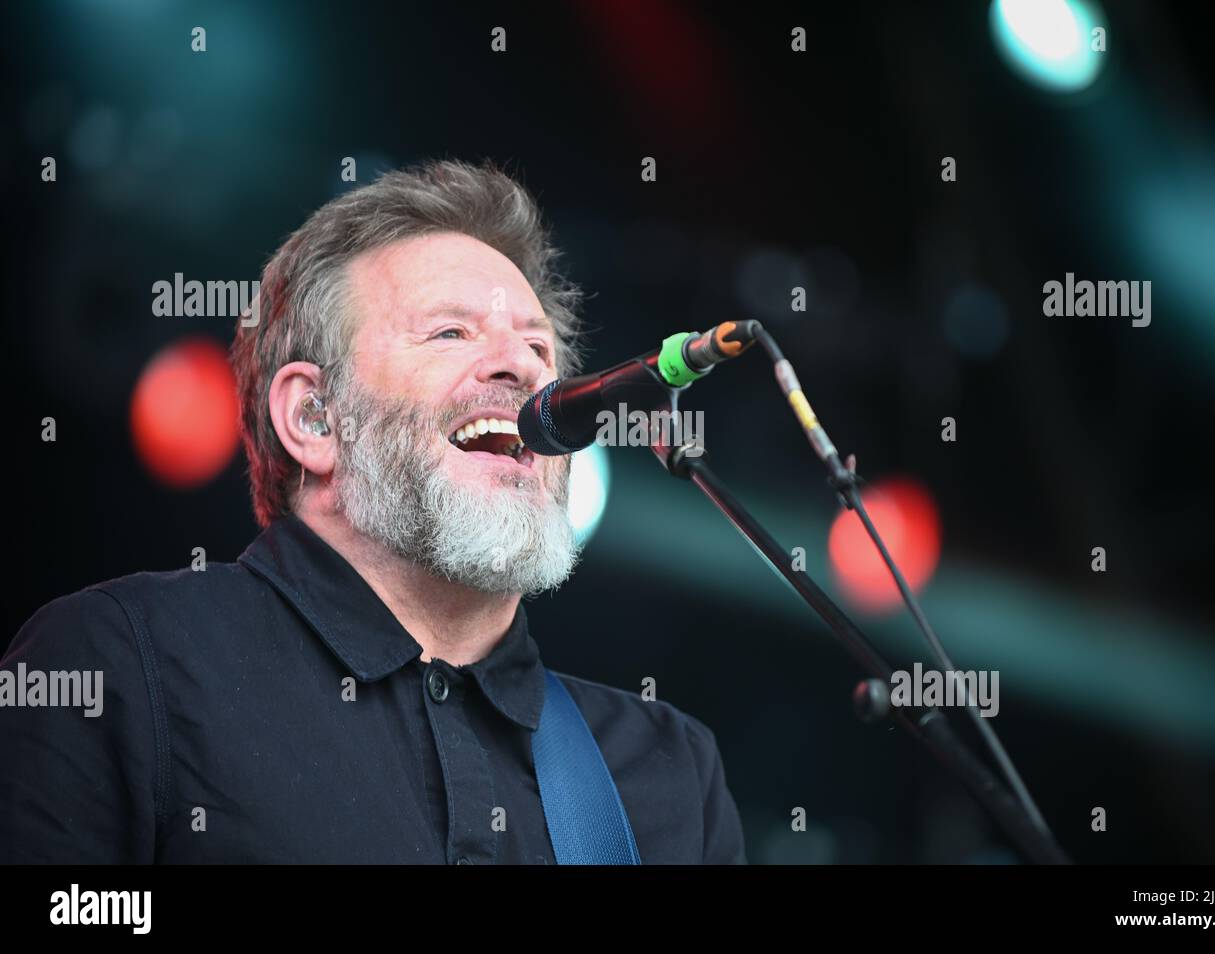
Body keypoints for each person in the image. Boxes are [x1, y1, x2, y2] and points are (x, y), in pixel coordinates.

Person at [0, 159, 746, 864]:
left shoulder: (667, 768)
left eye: (538, 348)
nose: (521, 366)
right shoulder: (121, 665)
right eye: (450, 332)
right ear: (316, 419)